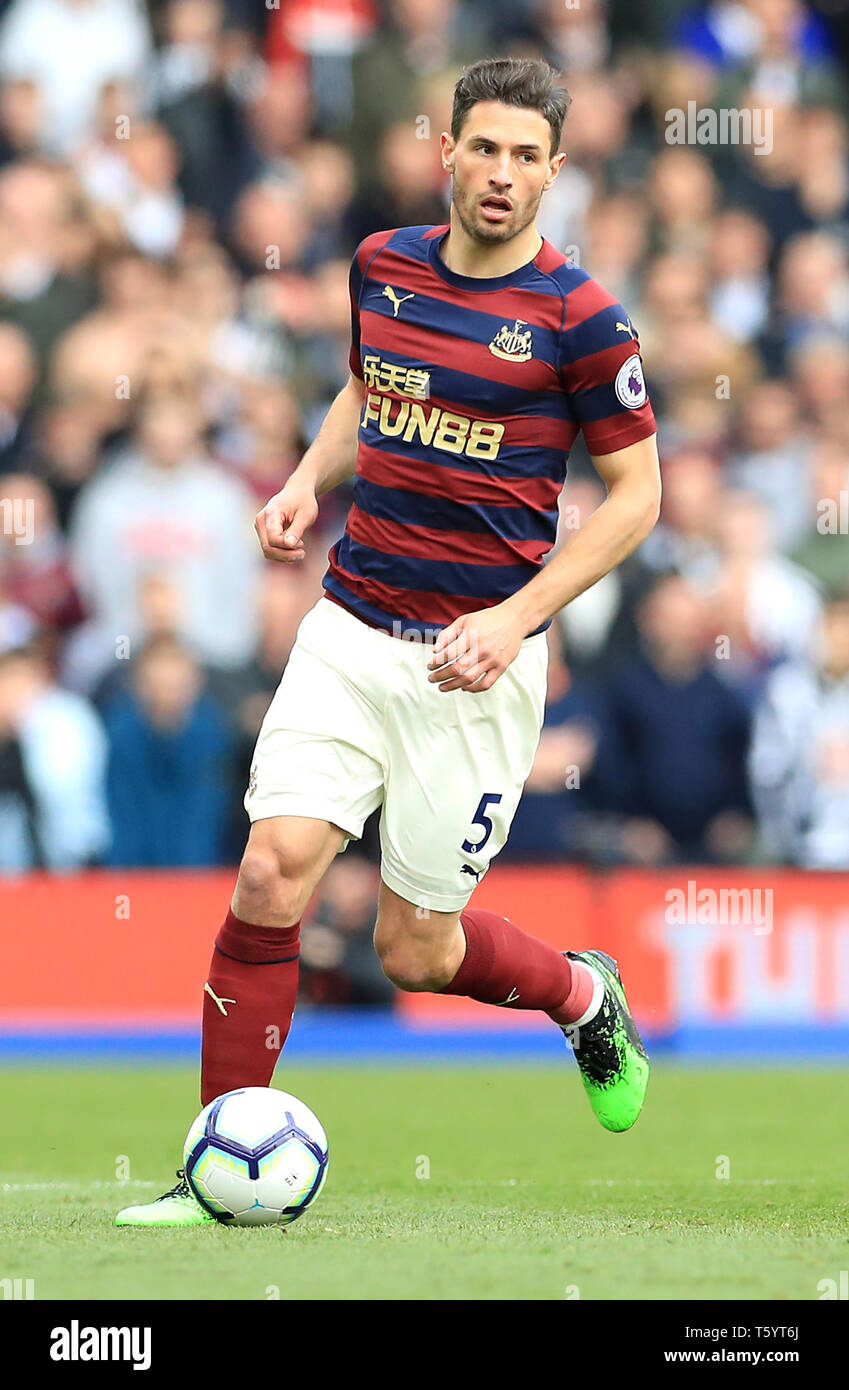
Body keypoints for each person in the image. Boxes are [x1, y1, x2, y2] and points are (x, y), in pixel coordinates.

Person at [116, 56, 662, 1227]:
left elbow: (635, 499)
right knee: (270, 873)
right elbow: (367, 390)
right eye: (485, 148)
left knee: (414, 949)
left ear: (555, 171)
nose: (503, 173)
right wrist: (307, 481)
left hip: (478, 668)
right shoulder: (384, 265)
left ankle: (579, 993)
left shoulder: (582, 320)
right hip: (353, 627)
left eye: (527, 155)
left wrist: (516, 618)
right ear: (447, 150)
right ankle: (207, 1174)